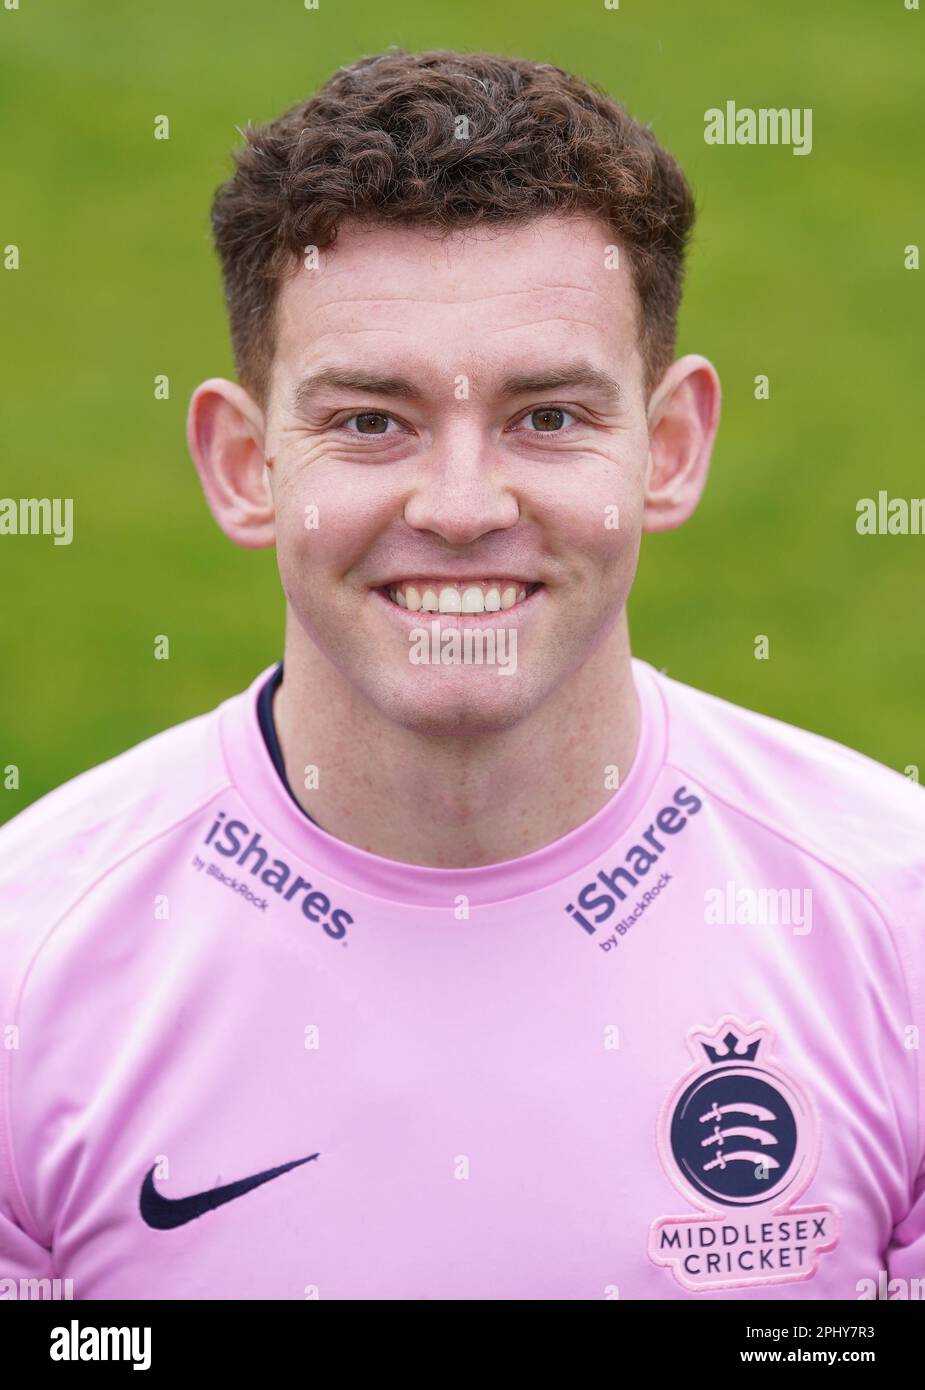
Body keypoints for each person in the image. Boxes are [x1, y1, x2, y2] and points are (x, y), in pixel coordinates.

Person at [1, 49, 922, 1301]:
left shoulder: (893, 925)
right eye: (369, 420)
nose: (460, 505)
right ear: (241, 464)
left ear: (668, 447)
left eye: (546, 416)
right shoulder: (26, 969)